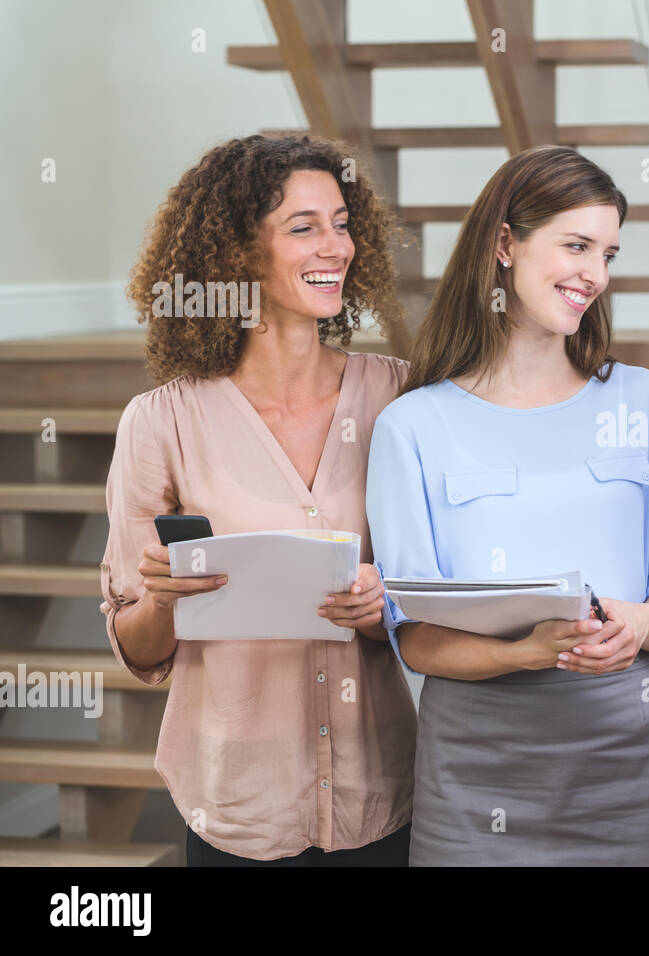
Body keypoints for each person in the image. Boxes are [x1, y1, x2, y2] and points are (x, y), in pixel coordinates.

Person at [366, 145, 649, 866]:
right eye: (576, 245)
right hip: (477, 765)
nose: (595, 274)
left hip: (626, 752)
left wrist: (645, 621)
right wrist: (525, 651)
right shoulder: (413, 426)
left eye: (607, 252)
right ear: (504, 244)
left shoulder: (646, 402)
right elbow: (414, 636)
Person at [101, 134, 417, 865]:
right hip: (235, 804)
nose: (335, 246)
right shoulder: (161, 422)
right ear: (237, 255)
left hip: (380, 794)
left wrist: (384, 606)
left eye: (341, 223)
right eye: (303, 227)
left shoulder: (398, 396)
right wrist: (163, 600)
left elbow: (435, 597)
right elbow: (139, 649)